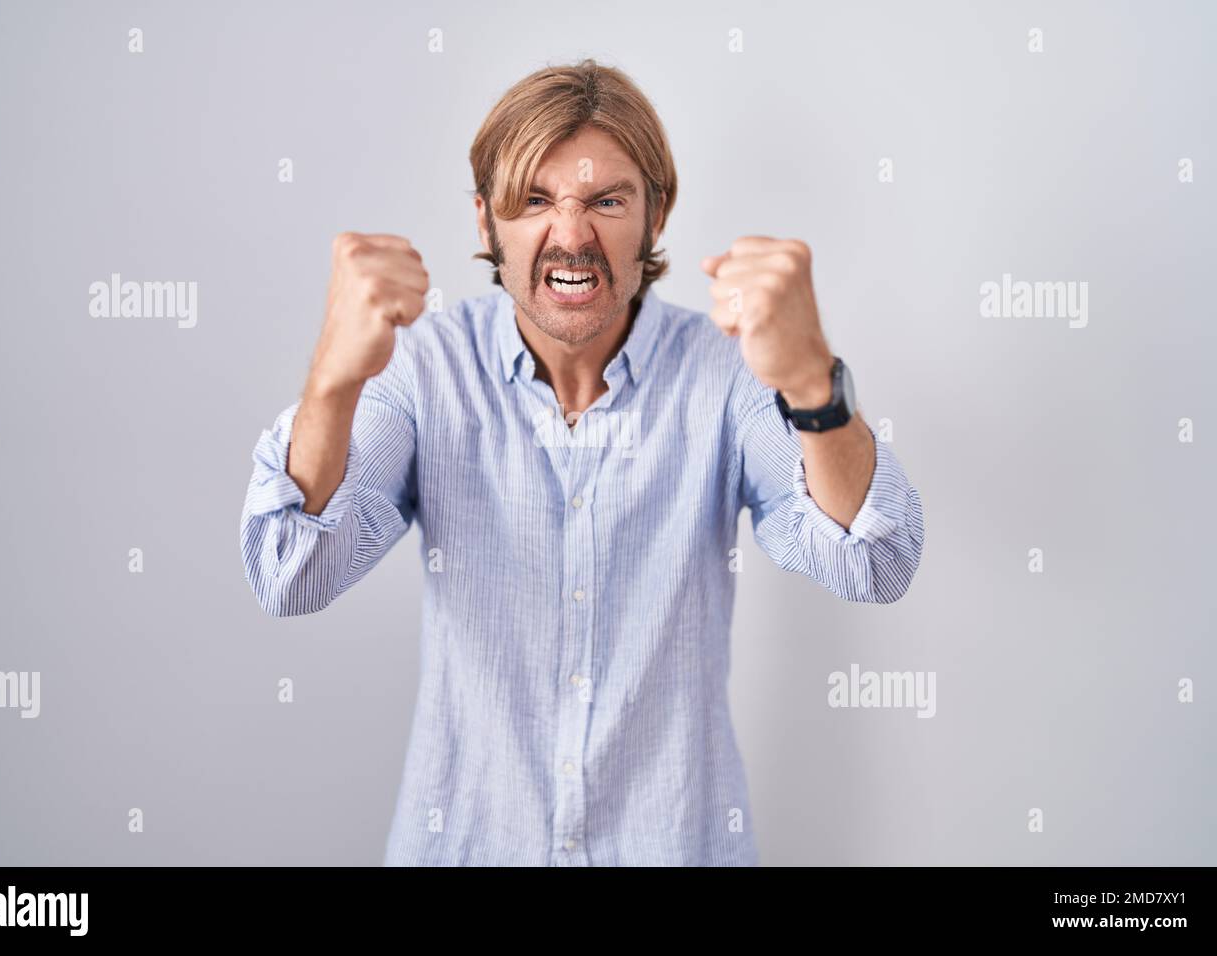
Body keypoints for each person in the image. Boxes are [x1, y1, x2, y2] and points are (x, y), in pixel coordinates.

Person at [239, 59, 925, 866]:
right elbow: (289, 573)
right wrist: (332, 381)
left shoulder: (727, 376)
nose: (569, 235)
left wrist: (814, 387)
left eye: (606, 200)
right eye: (534, 200)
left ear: (656, 217)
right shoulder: (424, 371)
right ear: (486, 224)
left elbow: (877, 564)